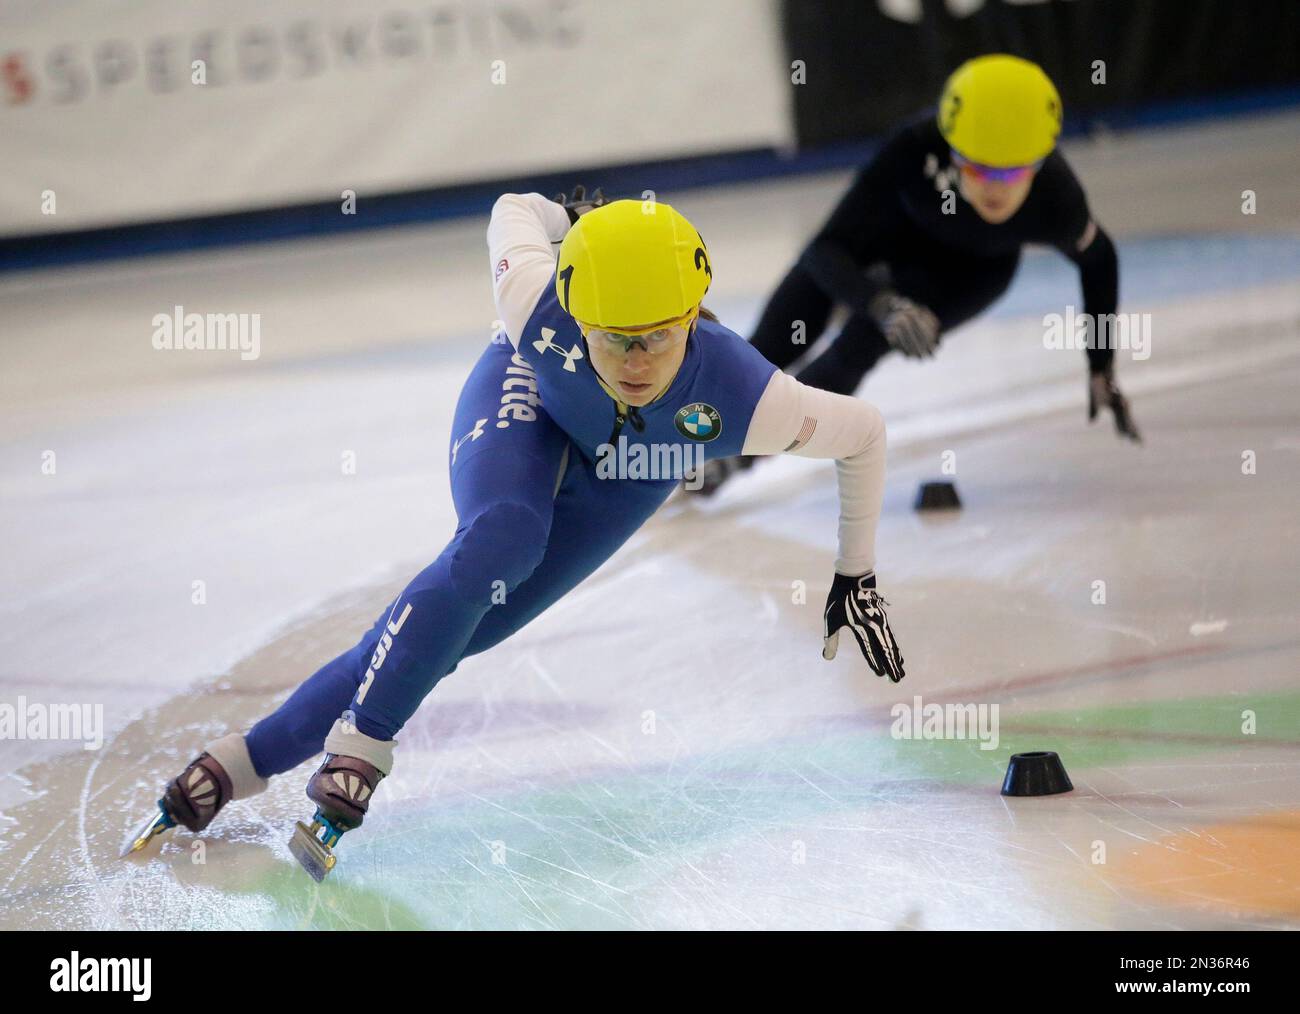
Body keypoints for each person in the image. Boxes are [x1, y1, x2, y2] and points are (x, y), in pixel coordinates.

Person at [125, 191, 905, 880]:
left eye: (659, 337)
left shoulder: (748, 395)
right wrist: (571, 220)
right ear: (575, 309)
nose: (635, 361)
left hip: (635, 469)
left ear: (696, 316)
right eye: (612, 337)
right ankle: (362, 744)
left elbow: (863, 434)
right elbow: (513, 207)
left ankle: (241, 760)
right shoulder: (534, 299)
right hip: (530, 394)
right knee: (505, 537)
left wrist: (854, 574)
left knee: (457, 628)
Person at [698, 54, 1139, 496]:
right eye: (978, 166)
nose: (996, 186)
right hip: (887, 242)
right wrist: (878, 299)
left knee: (860, 343)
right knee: (771, 345)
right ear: (951, 150)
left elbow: (1099, 261)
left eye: (1014, 170)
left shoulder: (1057, 198)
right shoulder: (913, 147)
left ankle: (735, 458)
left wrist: (1101, 366)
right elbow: (824, 249)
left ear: (1041, 163)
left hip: (968, 273)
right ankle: (687, 432)